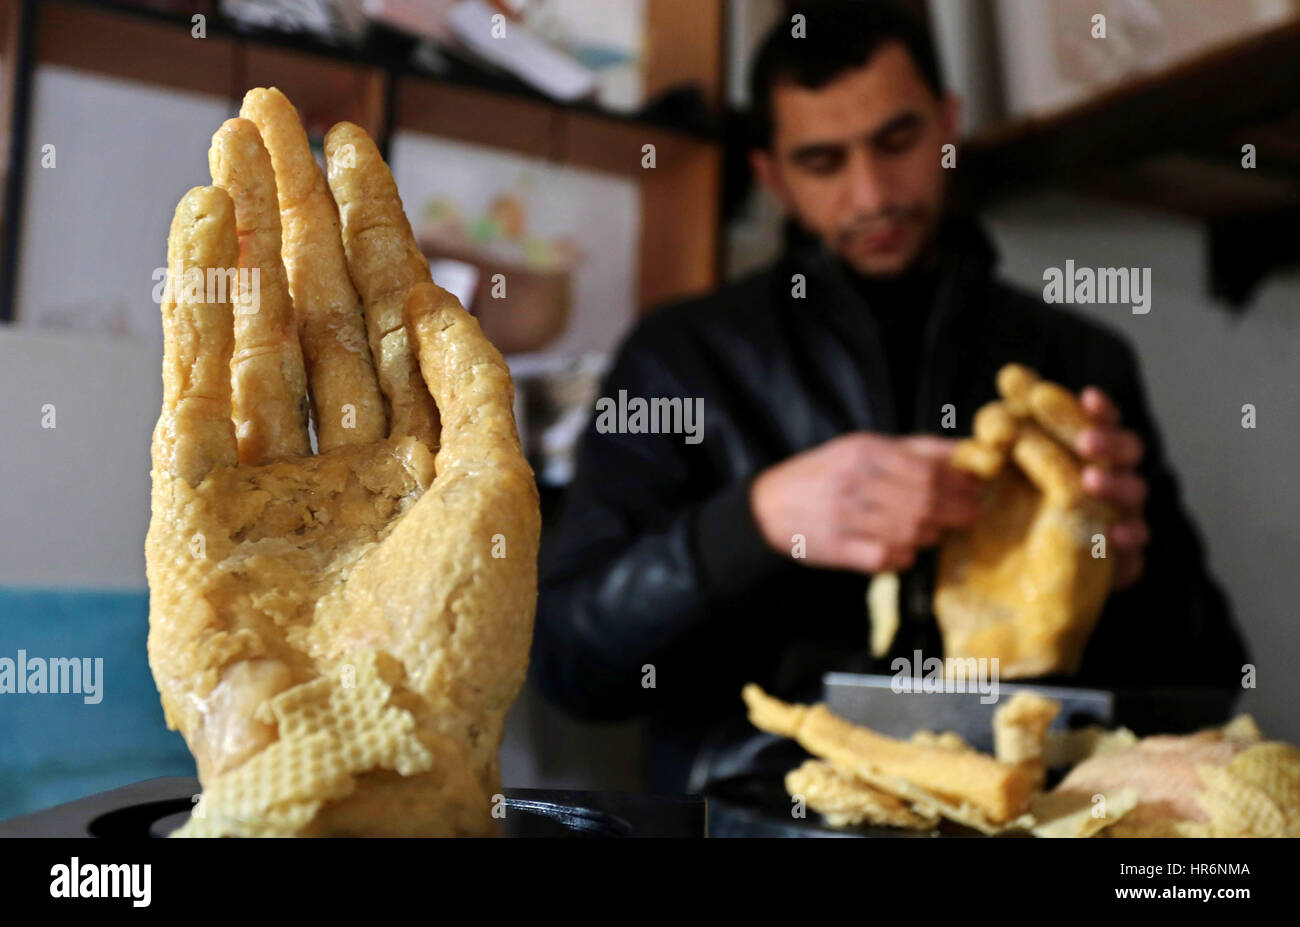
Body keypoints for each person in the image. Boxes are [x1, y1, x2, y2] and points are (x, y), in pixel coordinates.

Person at [532, 0, 1249, 794]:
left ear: (947, 125)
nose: (871, 194)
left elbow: (1209, 680)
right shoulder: (682, 360)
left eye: (897, 142)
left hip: (1013, 813)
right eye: (823, 162)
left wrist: (1121, 579)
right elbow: (571, 664)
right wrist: (757, 519)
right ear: (772, 176)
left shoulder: (1078, 359)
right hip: (756, 812)